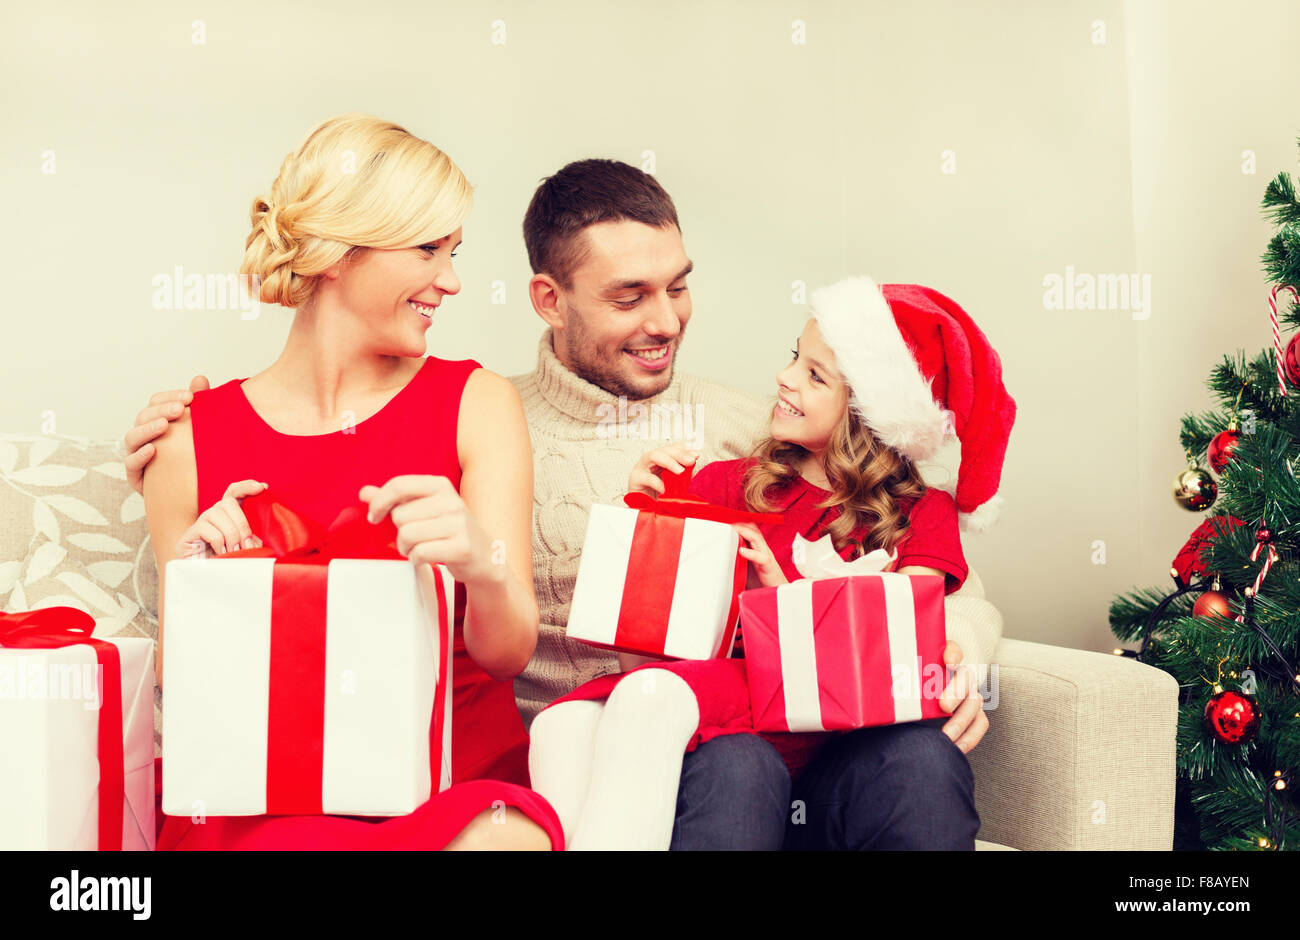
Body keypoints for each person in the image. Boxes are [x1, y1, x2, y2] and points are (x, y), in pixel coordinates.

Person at [127, 158, 998, 849]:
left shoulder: (759, 429)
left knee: (917, 759)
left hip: (778, 730)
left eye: (678, 285)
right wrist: (182, 493)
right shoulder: (483, 415)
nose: (666, 320)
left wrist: (959, 653)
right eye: (629, 296)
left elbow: (920, 554)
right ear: (549, 300)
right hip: (632, 755)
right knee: (734, 769)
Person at [141, 114, 562, 850]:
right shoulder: (185, 439)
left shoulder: (476, 402)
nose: (451, 280)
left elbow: (508, 654)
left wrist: (478, 563)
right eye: (429, 248)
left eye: (454, 251)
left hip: (449, 782)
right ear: (337, 253)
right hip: (270, 795)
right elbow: (189, 692)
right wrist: (203, 577)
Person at [529, 276, 1016, 850]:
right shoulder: (725, 487)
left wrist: (779, 594)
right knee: (736, 764)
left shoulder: (922, 514)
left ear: (869, 415)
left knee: (923, 755)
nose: (784, 378)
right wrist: (649, 528)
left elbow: (901, 651)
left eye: (814, 375)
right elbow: (650, 665)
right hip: (737, 755)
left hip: (843, 767)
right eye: (794, 358)